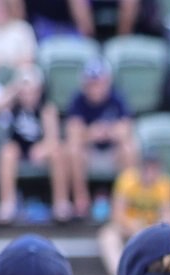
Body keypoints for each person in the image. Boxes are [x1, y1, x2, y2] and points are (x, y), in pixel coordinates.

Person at [0, 64, 64, 224]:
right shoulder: (11, 105)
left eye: (32, 91)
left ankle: (60, 203)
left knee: (57, 153)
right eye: (24, 91)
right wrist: (12, 91)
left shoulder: (46, 109)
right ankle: (7, 204)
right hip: (18, 148)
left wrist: (44, 148)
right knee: (7, 152)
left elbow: (53, 139)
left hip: (40, 149)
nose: (28, 96)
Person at [61, 59, 135, 222]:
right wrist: (90, 133)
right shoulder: (78, 100)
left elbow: (127, 129)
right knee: (72, 149)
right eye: (92, 84)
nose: (96, 88)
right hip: (89, 152)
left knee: (130, 148)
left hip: (112, 152)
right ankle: (81, 199)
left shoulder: (117, 98)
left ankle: (126, 201)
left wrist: (108, 131)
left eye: (99, 83)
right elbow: (73, 132)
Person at [97, 150, 170, 275]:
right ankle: (121, 274)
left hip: (153, 227)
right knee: (108, 235)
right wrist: (134, 226)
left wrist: (158, 228)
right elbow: (116, 214)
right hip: (128, 225)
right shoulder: (127, 180)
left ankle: (157, 274)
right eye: (148, 167)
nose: (151, 172)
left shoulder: (165, 183)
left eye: (154, 168)